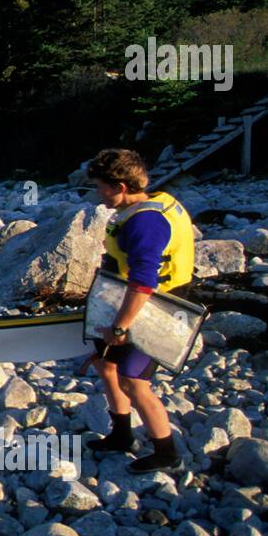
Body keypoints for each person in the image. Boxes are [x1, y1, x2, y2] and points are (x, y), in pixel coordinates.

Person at [84, 148, 195, 474]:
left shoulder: (145, 223)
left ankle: (167, 452)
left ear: (119, 187)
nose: (96, 194)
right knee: (105, 365)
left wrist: (120, 328)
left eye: (99, 187)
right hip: (127, 301)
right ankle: (121, 436)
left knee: (134, 381)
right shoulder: (149, 203)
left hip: (157, 310)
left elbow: (144, 283)